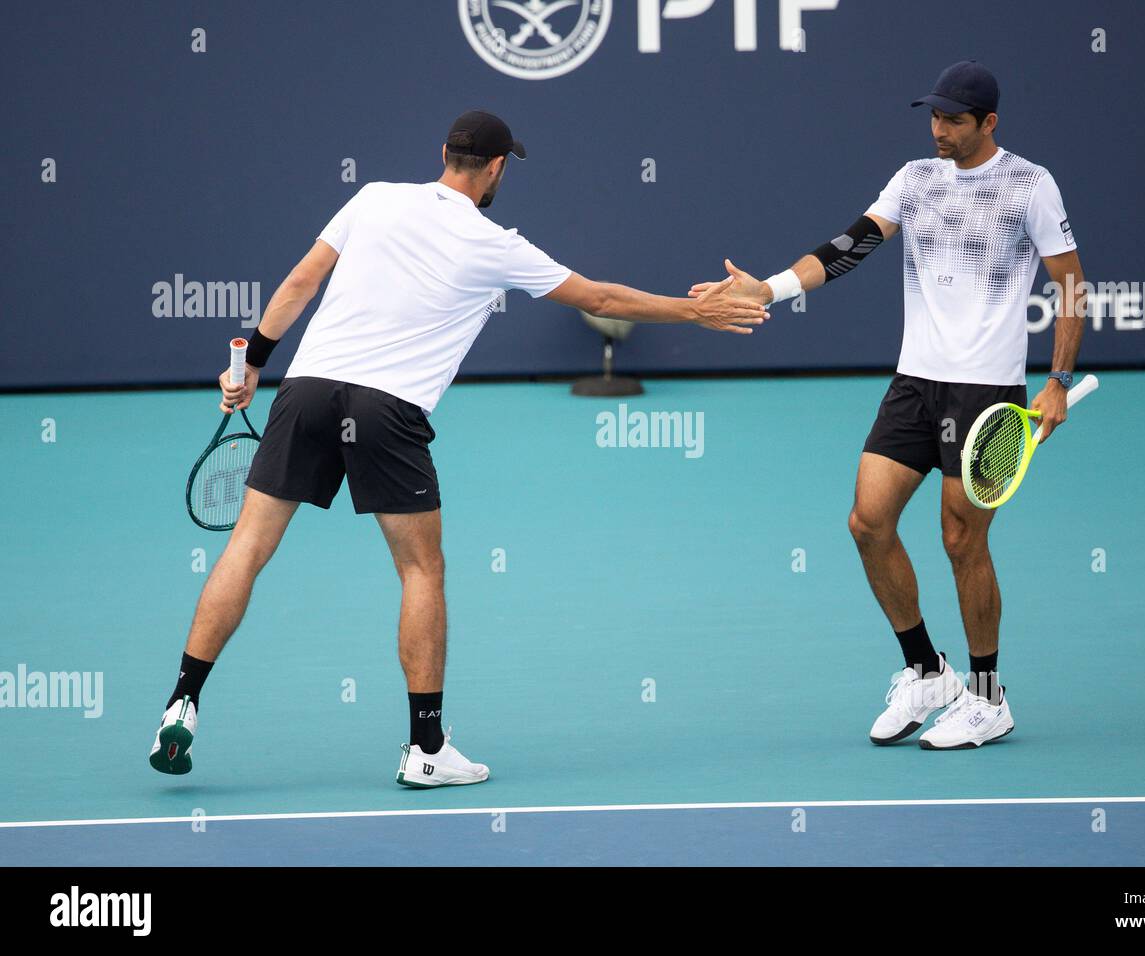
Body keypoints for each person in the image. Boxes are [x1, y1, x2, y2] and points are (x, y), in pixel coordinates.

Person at [149, 110, 767, 787]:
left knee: (247, 547)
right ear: (498, 168)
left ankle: (183, 700)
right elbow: (601, 295)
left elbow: (300, 282)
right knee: (421, 571)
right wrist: (698, 309)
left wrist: (255, 363)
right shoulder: (497, 244)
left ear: (444, 153)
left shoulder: (373, 196)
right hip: (386, 410)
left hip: (307, 391)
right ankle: (426, 750)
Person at [690, 62, 1086, 749]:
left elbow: (1071, 283)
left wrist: (1057, 378)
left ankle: (988, 697)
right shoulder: (915, 178)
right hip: (915, 384)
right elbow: (851, 246)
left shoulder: (1031, 184)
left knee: (963, 541)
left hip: (986, 389)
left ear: (989, 123)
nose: (939, 130)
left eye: (954, 121)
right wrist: (770, 289)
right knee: (867, 522)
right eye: (934, 117)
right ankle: (926, 670)